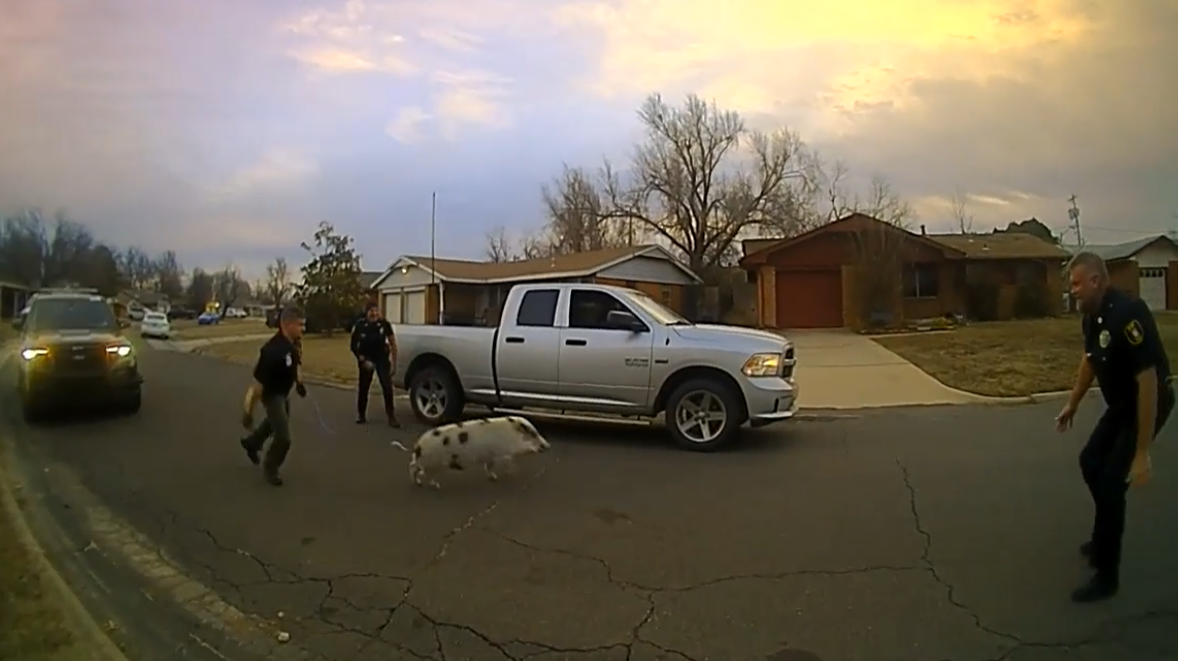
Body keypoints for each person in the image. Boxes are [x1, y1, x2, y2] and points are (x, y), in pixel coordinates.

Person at [1055, 252, 1174, 602]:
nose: (1072, 290)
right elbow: (1090, 359)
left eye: (1077, 283)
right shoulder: (1091, 318)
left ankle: (1107, 578)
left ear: (1096, 281)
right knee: (1090, 462)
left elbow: (1150, 381)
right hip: (1122, 404)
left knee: (1110, 481)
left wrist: (1141, 452)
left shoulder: (1128, 314)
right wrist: (1072, 403)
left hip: (1148, 401)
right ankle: (1103, 533)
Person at [240, 306, 307, 486]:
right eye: (300, 325)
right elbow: (256, 387)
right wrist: (248, 412)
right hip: (272, 395)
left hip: (284, 393)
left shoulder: (294, 344)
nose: (303, 329)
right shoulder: (271, 351)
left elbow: (296, 364)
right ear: (287, 324)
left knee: (274, 422)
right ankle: (271, 466)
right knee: (283, 437)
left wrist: (299, 383)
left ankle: (252, 443)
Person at [350, 302, 399, 427]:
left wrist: (394, 363)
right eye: (371, 311)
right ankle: (361, 415)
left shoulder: (384, 324)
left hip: (382, 358)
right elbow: (353, 346)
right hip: (366, 358)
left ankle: (391, 416)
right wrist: (363, 360)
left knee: (387, 387)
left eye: (376, 311)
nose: (374, 313)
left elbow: (393, 344)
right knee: (364, 388)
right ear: (366, 313)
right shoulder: (360, 325)